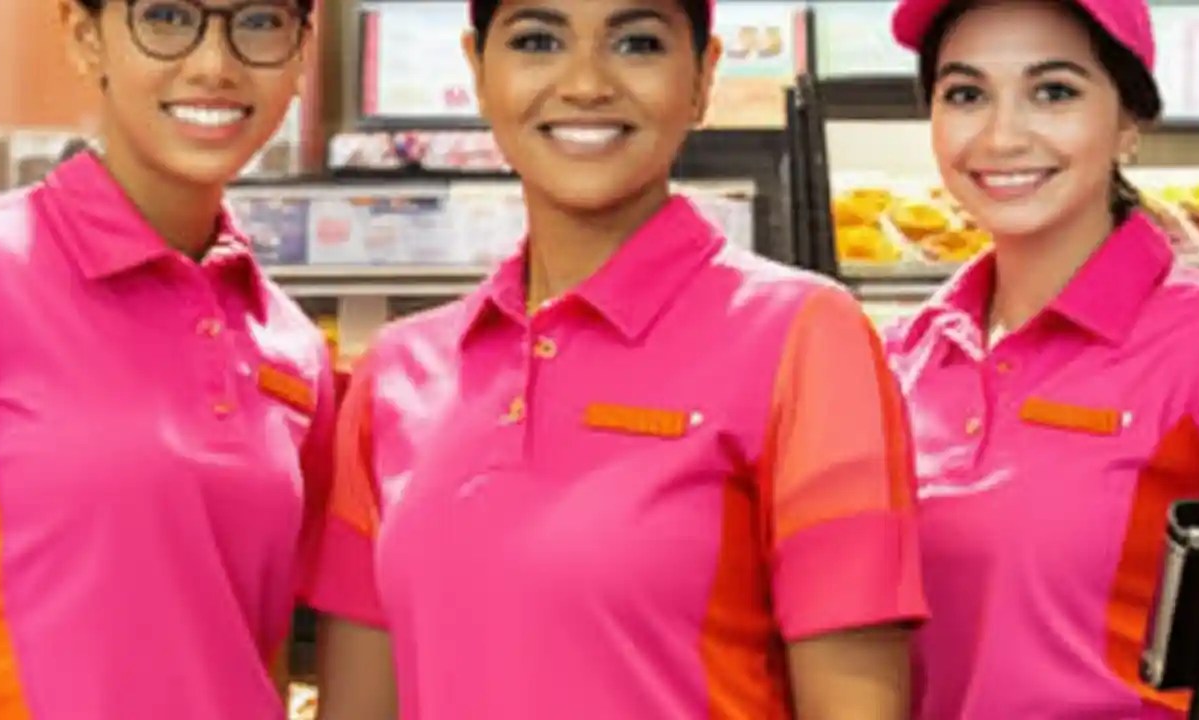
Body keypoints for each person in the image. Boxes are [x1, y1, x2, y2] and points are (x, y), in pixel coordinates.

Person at [306, 0, 927, 718]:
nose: (586, 83)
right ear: (479, 71)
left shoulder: (806, 338)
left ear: (702, 80)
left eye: (636, 43)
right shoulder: (397, 374)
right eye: (538, 40)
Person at [884, 0, 1199, 717]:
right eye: (965, 94)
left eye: (1053, 91)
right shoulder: (894, 359)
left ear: (1127, 122)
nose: (1002, 135)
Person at [0, 1, 332, 718]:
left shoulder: (293, 349)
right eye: (167, 16)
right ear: (86, 39)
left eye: (259, 23)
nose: (213, 64)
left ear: (299, 57)